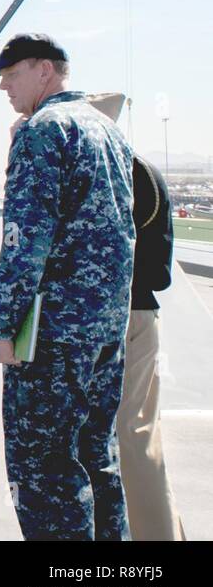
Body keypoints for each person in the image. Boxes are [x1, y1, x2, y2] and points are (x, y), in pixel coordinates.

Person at [0, 34, 134, 540]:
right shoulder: (107, 130)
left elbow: (24, 242)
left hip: (52, 337)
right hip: (103, 330)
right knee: (97, 456)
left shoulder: (42, 131)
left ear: (44, 70)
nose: (3, 85)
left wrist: (2, 326)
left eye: (11, 74)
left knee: (46, 471)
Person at [83, 96, 184, 540]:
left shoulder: (114, 172)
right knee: (136, 432)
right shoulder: (145, 171)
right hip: (137, 313)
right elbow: (160, 272)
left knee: (127, 434)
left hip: (116, 319)